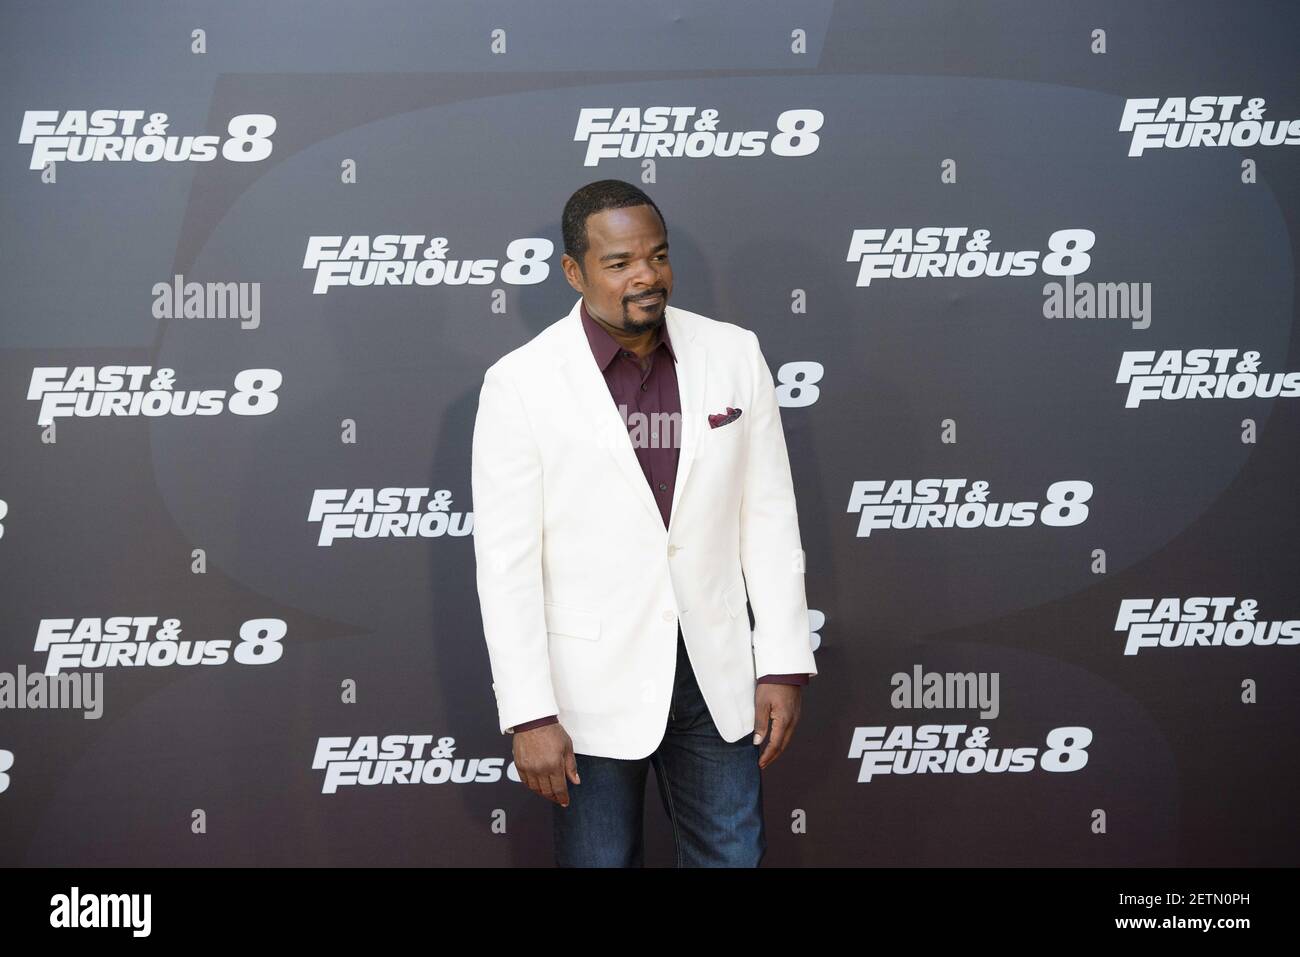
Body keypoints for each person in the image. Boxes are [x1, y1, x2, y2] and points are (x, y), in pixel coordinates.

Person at [471, 179, 816, 867]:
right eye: (620, 262)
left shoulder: (734, 353)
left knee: (733, 857)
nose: (646, 277)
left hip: (714, 676)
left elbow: (769, 518)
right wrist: (530, 712)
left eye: (656, 257)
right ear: (574, 271)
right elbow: (507, 563)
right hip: (585, 689)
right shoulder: (521, 383)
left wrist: (782, 661)